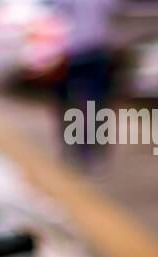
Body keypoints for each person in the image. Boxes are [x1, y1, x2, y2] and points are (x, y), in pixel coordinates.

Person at [51, 0, 119, 167]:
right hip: (92, 50)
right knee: (94, 103)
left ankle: (79, 146)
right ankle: (90, 149)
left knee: (74, 103)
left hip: (72, 52)